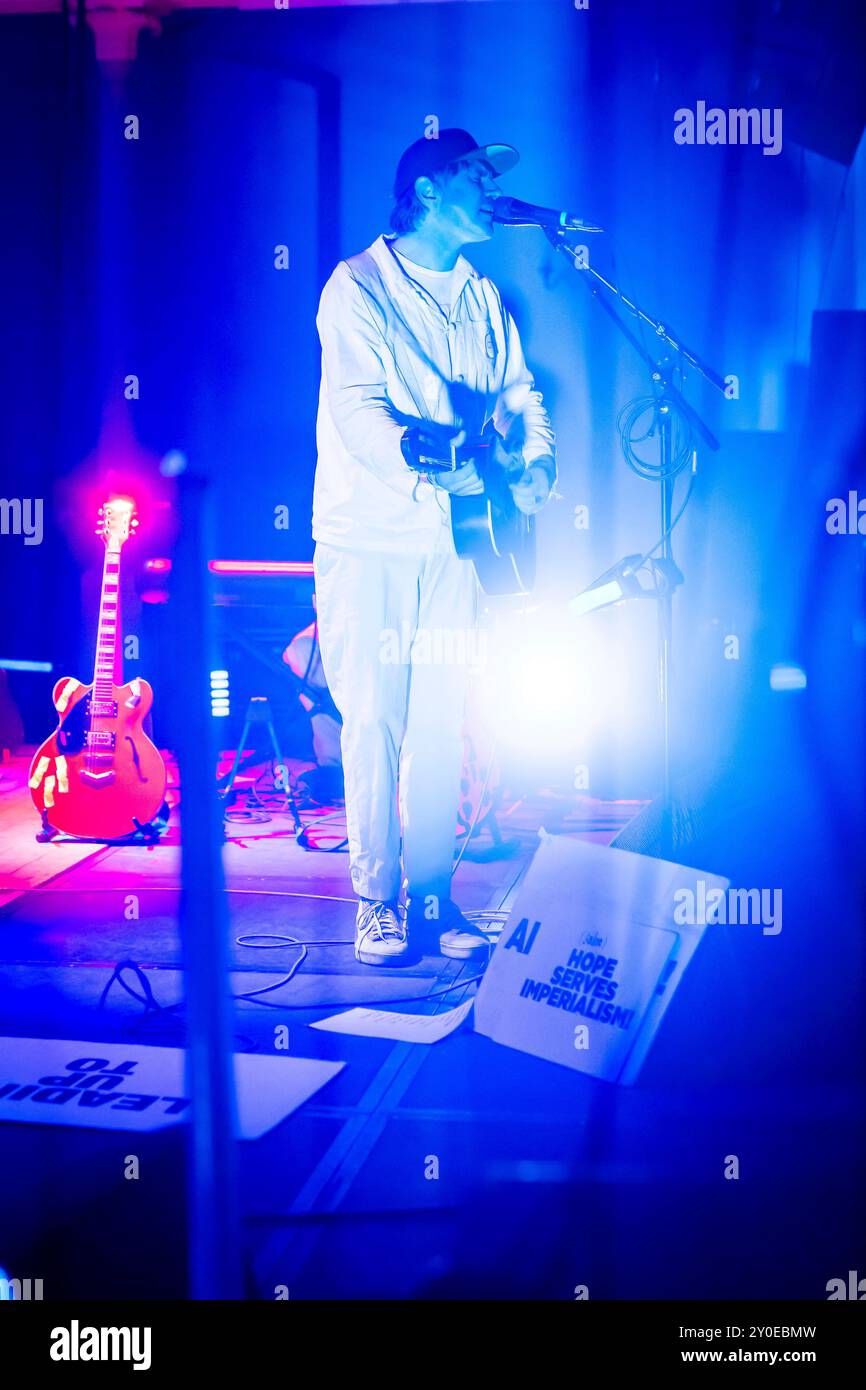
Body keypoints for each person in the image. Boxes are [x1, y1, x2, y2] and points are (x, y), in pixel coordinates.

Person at [312, 127, 556, 966]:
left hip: (458, 543)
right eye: (475, 176)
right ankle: (376, 900)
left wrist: (537, 463)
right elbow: (359, 414)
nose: (491, 189)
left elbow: (522, 396)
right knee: (374, 720)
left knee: (442, 727)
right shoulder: (357, 287)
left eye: (492, 176)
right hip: (369, 538)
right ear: (427, 192)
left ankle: (431, 896)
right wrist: (429, 480)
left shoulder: (484, 295)